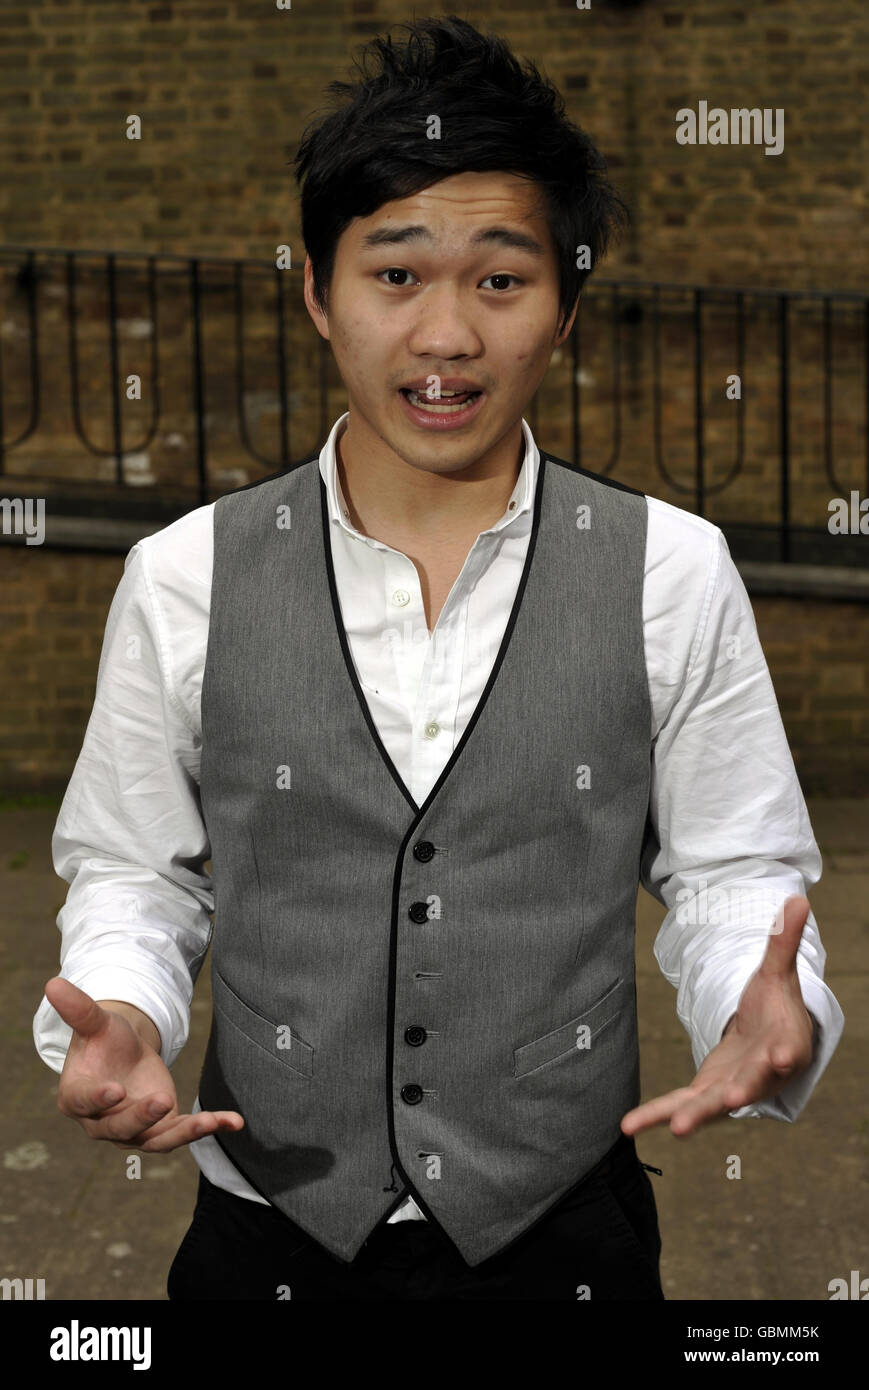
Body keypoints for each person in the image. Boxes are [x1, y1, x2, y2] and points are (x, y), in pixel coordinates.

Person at [34, 15, 843, 1302]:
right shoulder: (182, 574)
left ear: (565, 306)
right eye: (396, 275)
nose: (448, 336)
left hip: (564, 1243)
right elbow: (140, 868)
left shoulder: (670, 569)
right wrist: (127, 1009)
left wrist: (759, 995)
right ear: (314, 288)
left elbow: (732, 866)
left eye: (502, 280)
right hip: (266, 1242)